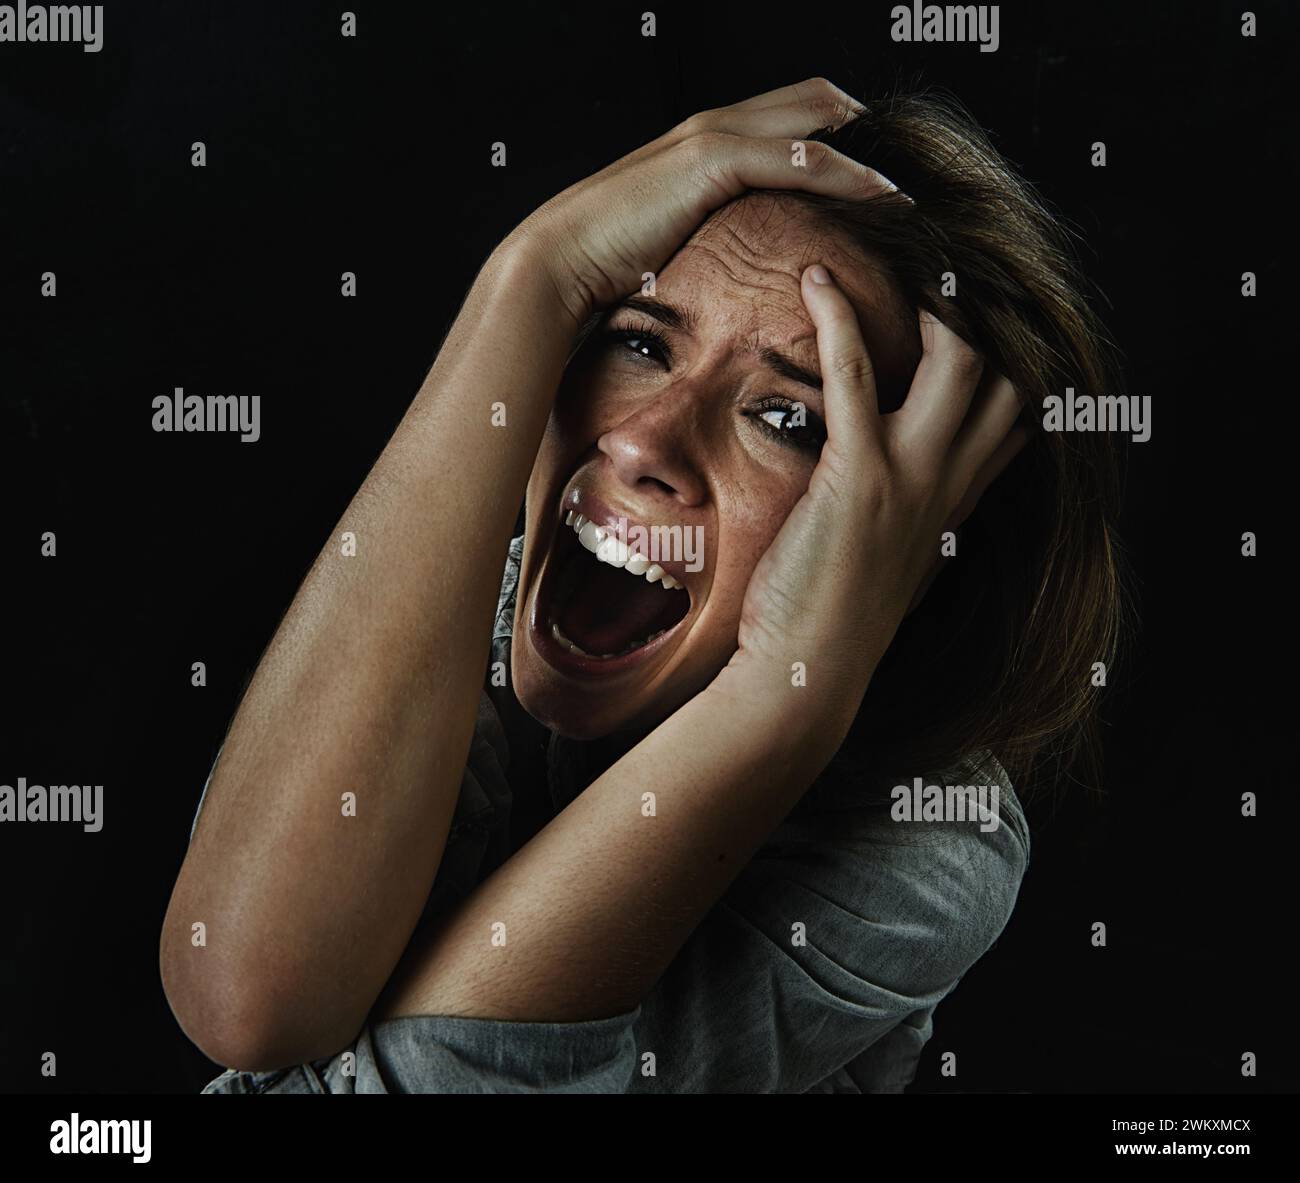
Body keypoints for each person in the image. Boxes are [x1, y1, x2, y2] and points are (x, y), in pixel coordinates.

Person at [161, 78, 1127, 1093]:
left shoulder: (927, 846)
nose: (640, 439)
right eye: (637, 340)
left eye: (787, 418)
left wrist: (781, 696)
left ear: (905, 545)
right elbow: (243, 993)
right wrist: (533, 276)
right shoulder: (464, 608)